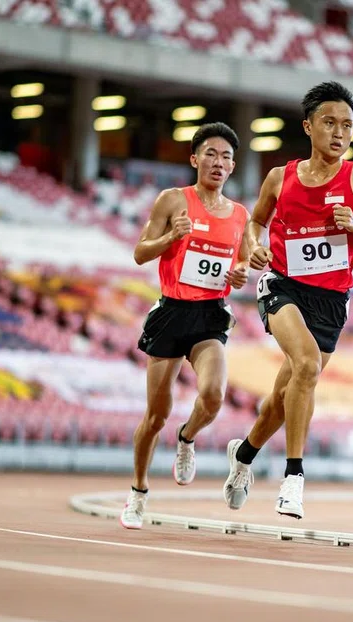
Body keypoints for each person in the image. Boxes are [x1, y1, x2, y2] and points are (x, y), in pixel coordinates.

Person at [222, 81, 353, 519]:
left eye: (347, 125)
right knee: (305, 366)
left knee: (284, 397)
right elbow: (254, 223)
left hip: (331, 300)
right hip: (283, 286)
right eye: (329, 123)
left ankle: (243, 457)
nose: (339, 133)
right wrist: (255, 247)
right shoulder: (279, 177)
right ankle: (294, 477)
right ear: (308, 127)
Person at [119, 122, 251, 530]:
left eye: (227, 157)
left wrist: (241, 274)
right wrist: (170, 239)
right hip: (172, 311)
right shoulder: (173, 200)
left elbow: (242, 263)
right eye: (211, 153)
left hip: (211, 314)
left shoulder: (240, 215)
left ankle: (187, 438)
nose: (219, 162)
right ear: (195, 159)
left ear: (232, 167)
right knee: (156, 415)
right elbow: (141, 252)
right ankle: (138, 492)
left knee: (213, 396)